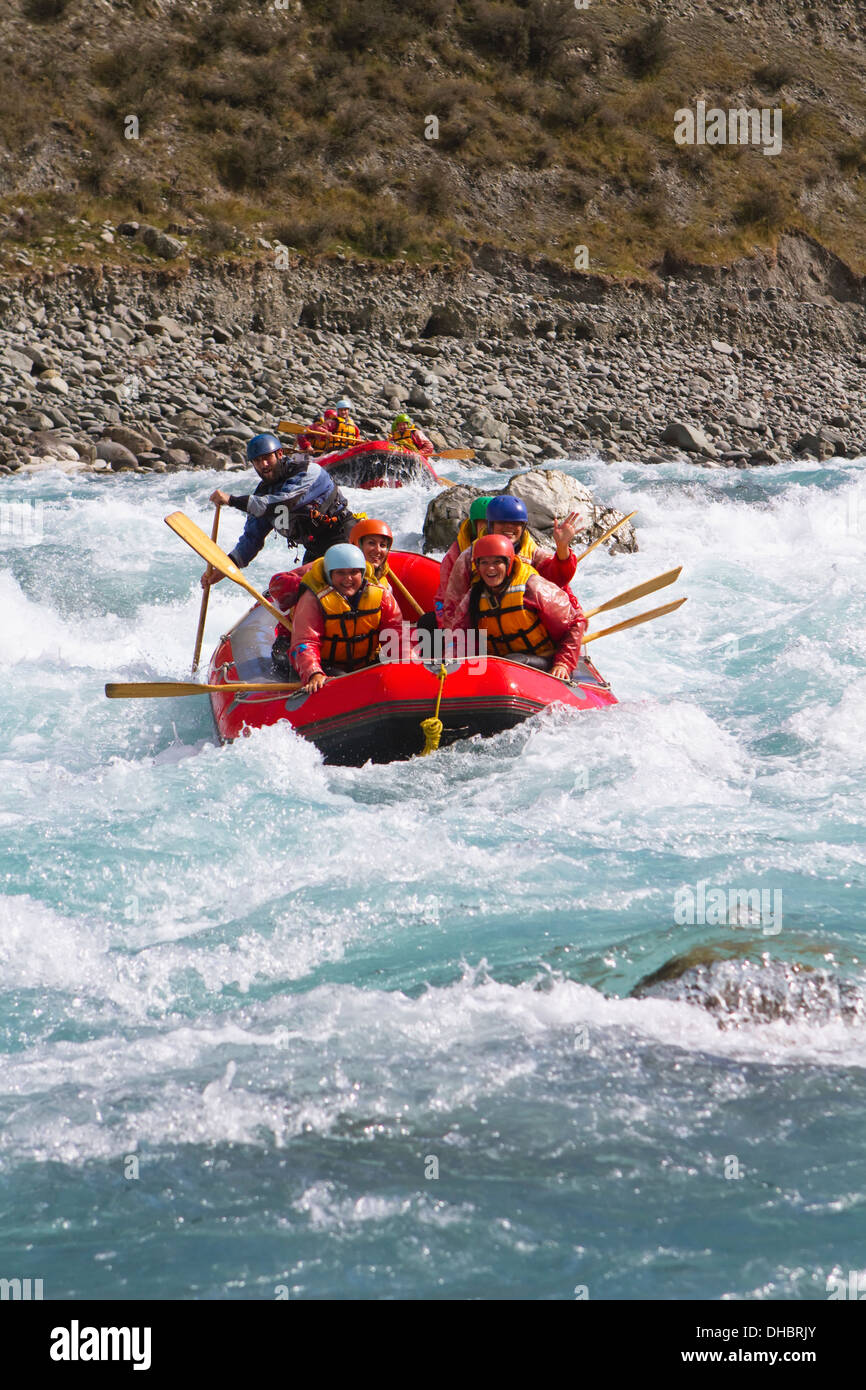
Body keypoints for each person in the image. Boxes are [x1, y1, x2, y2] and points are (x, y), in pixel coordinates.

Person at [200, 434, 360, 593]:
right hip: (315, 548)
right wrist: (219, 572)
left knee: (334, 587)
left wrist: (232, 500)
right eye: (257, 461)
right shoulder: (262, 496)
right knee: (295, 593)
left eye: (267, 457)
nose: (263, 464)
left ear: (280, 454)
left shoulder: (308, 471)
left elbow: (283, 501)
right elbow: (250, 542)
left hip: (344, 536)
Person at [450, 534, 585, 681]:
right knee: (507, 663)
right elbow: (459, 635)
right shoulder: (474, 597)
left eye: (497, 562)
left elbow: (576, 622)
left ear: (509, 563)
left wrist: (563, 664)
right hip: (499, 665)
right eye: (484, 562)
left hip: (544, 660)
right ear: (477, 565)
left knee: (513, 661)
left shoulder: (534, 588)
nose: (490, 568)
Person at [440, 494, 583, 629]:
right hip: (486, 634)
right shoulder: (467, 557)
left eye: (516, 523)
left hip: (527, 629)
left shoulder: (533, 553)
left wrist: (562, 548)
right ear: (490, 525)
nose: (509, 527)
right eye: (502, 522)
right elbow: (453, 604)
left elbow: (558, 580)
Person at [289, 543, 404, 693]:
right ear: (330, 575)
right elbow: (305, 642)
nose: (348, 578)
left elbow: (398, 635)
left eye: (354, 572)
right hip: (328, 667)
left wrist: (405, 665)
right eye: (340, 573)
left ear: (362, 573)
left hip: (367, 663)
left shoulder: (381, 595)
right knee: (342, 682)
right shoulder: (313, 600)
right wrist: (314, 673)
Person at [418, 495, 491, 635]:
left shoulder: (507, 548)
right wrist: (448, 630)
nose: (487, 529)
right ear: (474, 525)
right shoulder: (456, 553)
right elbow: (444, 597)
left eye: (492, 524)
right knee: (427, 623)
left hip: (490, 615)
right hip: (462, 615)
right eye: (484, 523)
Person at [349, 519, 394, 588]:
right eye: (371, 543)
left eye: (382, 545)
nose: (378, 550)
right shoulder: (344, 580)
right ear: (356, 546)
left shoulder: (386, 585)